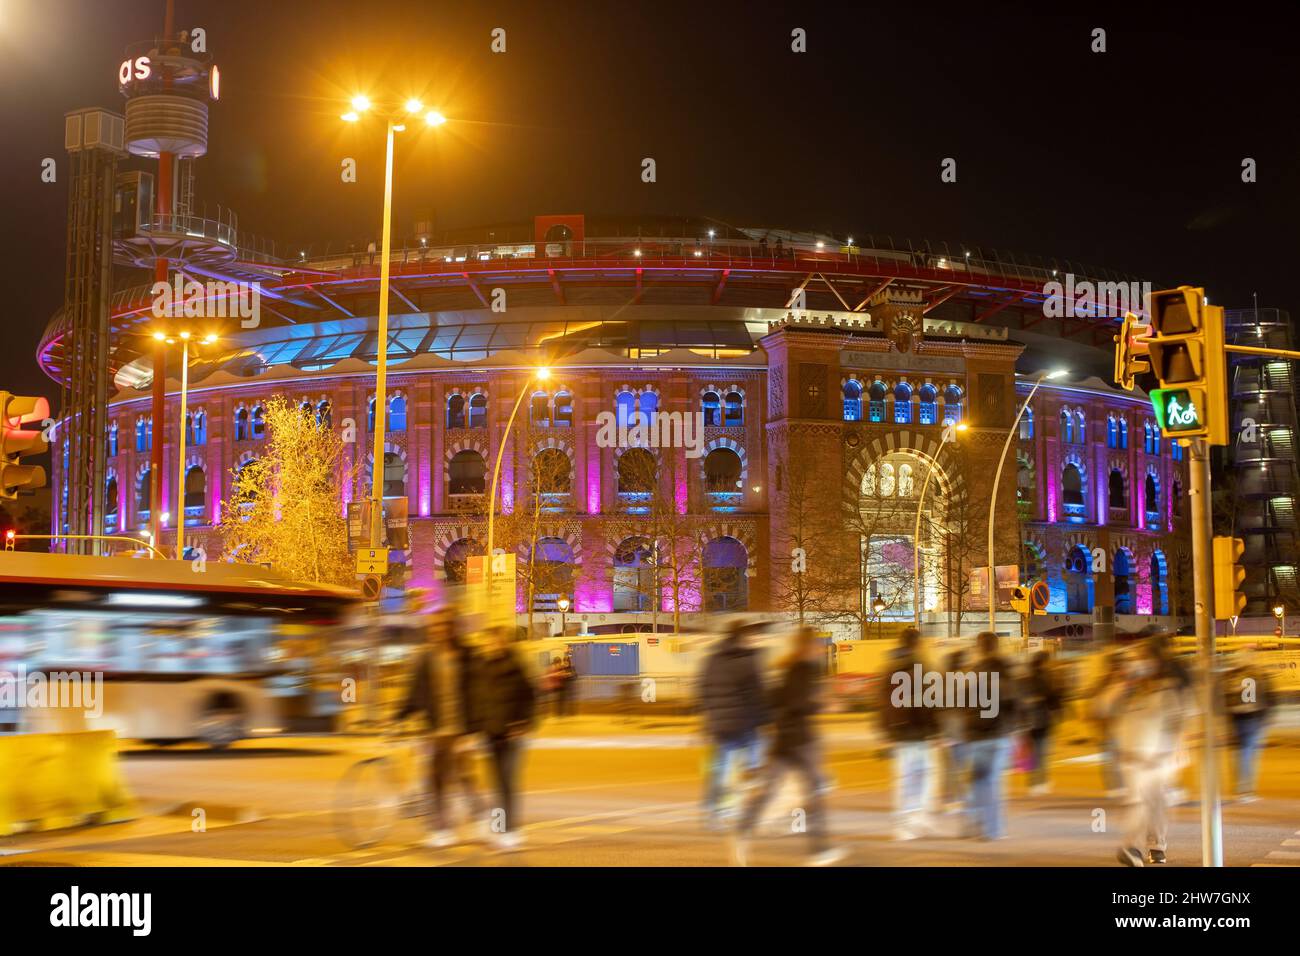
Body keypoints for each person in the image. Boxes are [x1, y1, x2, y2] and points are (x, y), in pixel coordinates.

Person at [732, 627, 846, 866]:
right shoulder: (805, 669)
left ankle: (742, 830)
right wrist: (823, 706)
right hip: (801, 741)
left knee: (770, 791)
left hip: (783, 739)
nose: (819, 650)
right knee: (814, 792)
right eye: (816, 645)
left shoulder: (783, 667)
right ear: (809, 646)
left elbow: (771, 702)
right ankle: (819, 849)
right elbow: (799, 702)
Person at [396, 611, 483, 848]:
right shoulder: (426, 658)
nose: (439, 630)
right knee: (435, 781)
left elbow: (478, 694)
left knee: (464, 778)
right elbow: (414, 692)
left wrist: (474, 732)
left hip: (462, 730)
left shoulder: (467, 655)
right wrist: (397, 717)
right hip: (436, 730)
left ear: (452, 628)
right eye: (435, 626)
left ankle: (481, 818)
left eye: (444, 625)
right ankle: (442, 830)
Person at [1105, 637, 1189, 866]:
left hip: (1162, 752)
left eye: (1142, 656)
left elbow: (1181, 716)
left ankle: (1155, 846)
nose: (1138, 660)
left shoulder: (1173, 678)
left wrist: (1179, 747)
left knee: (1155, 801)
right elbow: (1108, 708)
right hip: (1134, 752)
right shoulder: (1132, 679)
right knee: (1141, 801)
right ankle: (1135, 847)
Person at [698, 619, 771, 828]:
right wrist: (767, 721)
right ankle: (753, 789)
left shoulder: (713, 659)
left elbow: (703, 690)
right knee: (757, 758)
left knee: (720, 769)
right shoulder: (747, 660)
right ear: (742, 636)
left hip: (720, 724)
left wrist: (707, 721)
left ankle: (714, 812)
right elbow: (757, 694)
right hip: (745, 723)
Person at [471, 625, 537, 851]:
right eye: (489, 641)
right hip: (490, 734)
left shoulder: (516, 666)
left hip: (512, 734)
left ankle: (510, 830)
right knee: (496, 784)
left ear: (504, 643)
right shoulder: (482, 667)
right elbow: (477, 700)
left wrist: (524, 724)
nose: (492, 645)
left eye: (495, 641)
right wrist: (476, 727)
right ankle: (500, 829)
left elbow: (530, 698)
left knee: (508, 783)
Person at [878, 627, 939, 840]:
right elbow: (932, 702)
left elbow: (883, 702)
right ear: (918, 643)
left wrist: (885, 731)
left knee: (904, 780)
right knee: (926, 777)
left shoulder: (890, 668)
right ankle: (920, 818)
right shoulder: (923, 667)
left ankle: (902, 827)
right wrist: (936, 731)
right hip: (920, 732)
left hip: (899, 732)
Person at [962, 631, 1019, 841]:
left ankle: (979, 822)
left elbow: (963, 704)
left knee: (978, 782)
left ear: (978, 648)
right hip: (999, 733)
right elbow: (1014, 702)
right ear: (996, 647)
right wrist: (1015, 729)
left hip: (976, 734)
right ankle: (993, 829)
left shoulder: (972, 673)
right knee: (994, 783)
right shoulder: (1007, 670)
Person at [1222, 649, 1274, 803]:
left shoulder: (1230, 675)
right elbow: (1269, 697)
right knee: (1250, 754)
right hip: (1254, 718)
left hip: (1236, 718)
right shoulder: (1259, 674)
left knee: (1239, 754)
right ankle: (1247, 790)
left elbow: (1224, 699)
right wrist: (1266, 717)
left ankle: (1240, 788)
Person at [1021, 651, 1064, 796]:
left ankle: (1033, 783)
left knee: (1033, 754)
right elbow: (1052, 698)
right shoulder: (1044, 678)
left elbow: (1020, 701)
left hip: (1028, 722)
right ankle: (1041, 783)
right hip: (1042, 721)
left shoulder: (1026, 678)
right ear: (1043, 662)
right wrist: (1058, 713)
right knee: (1041, 753)